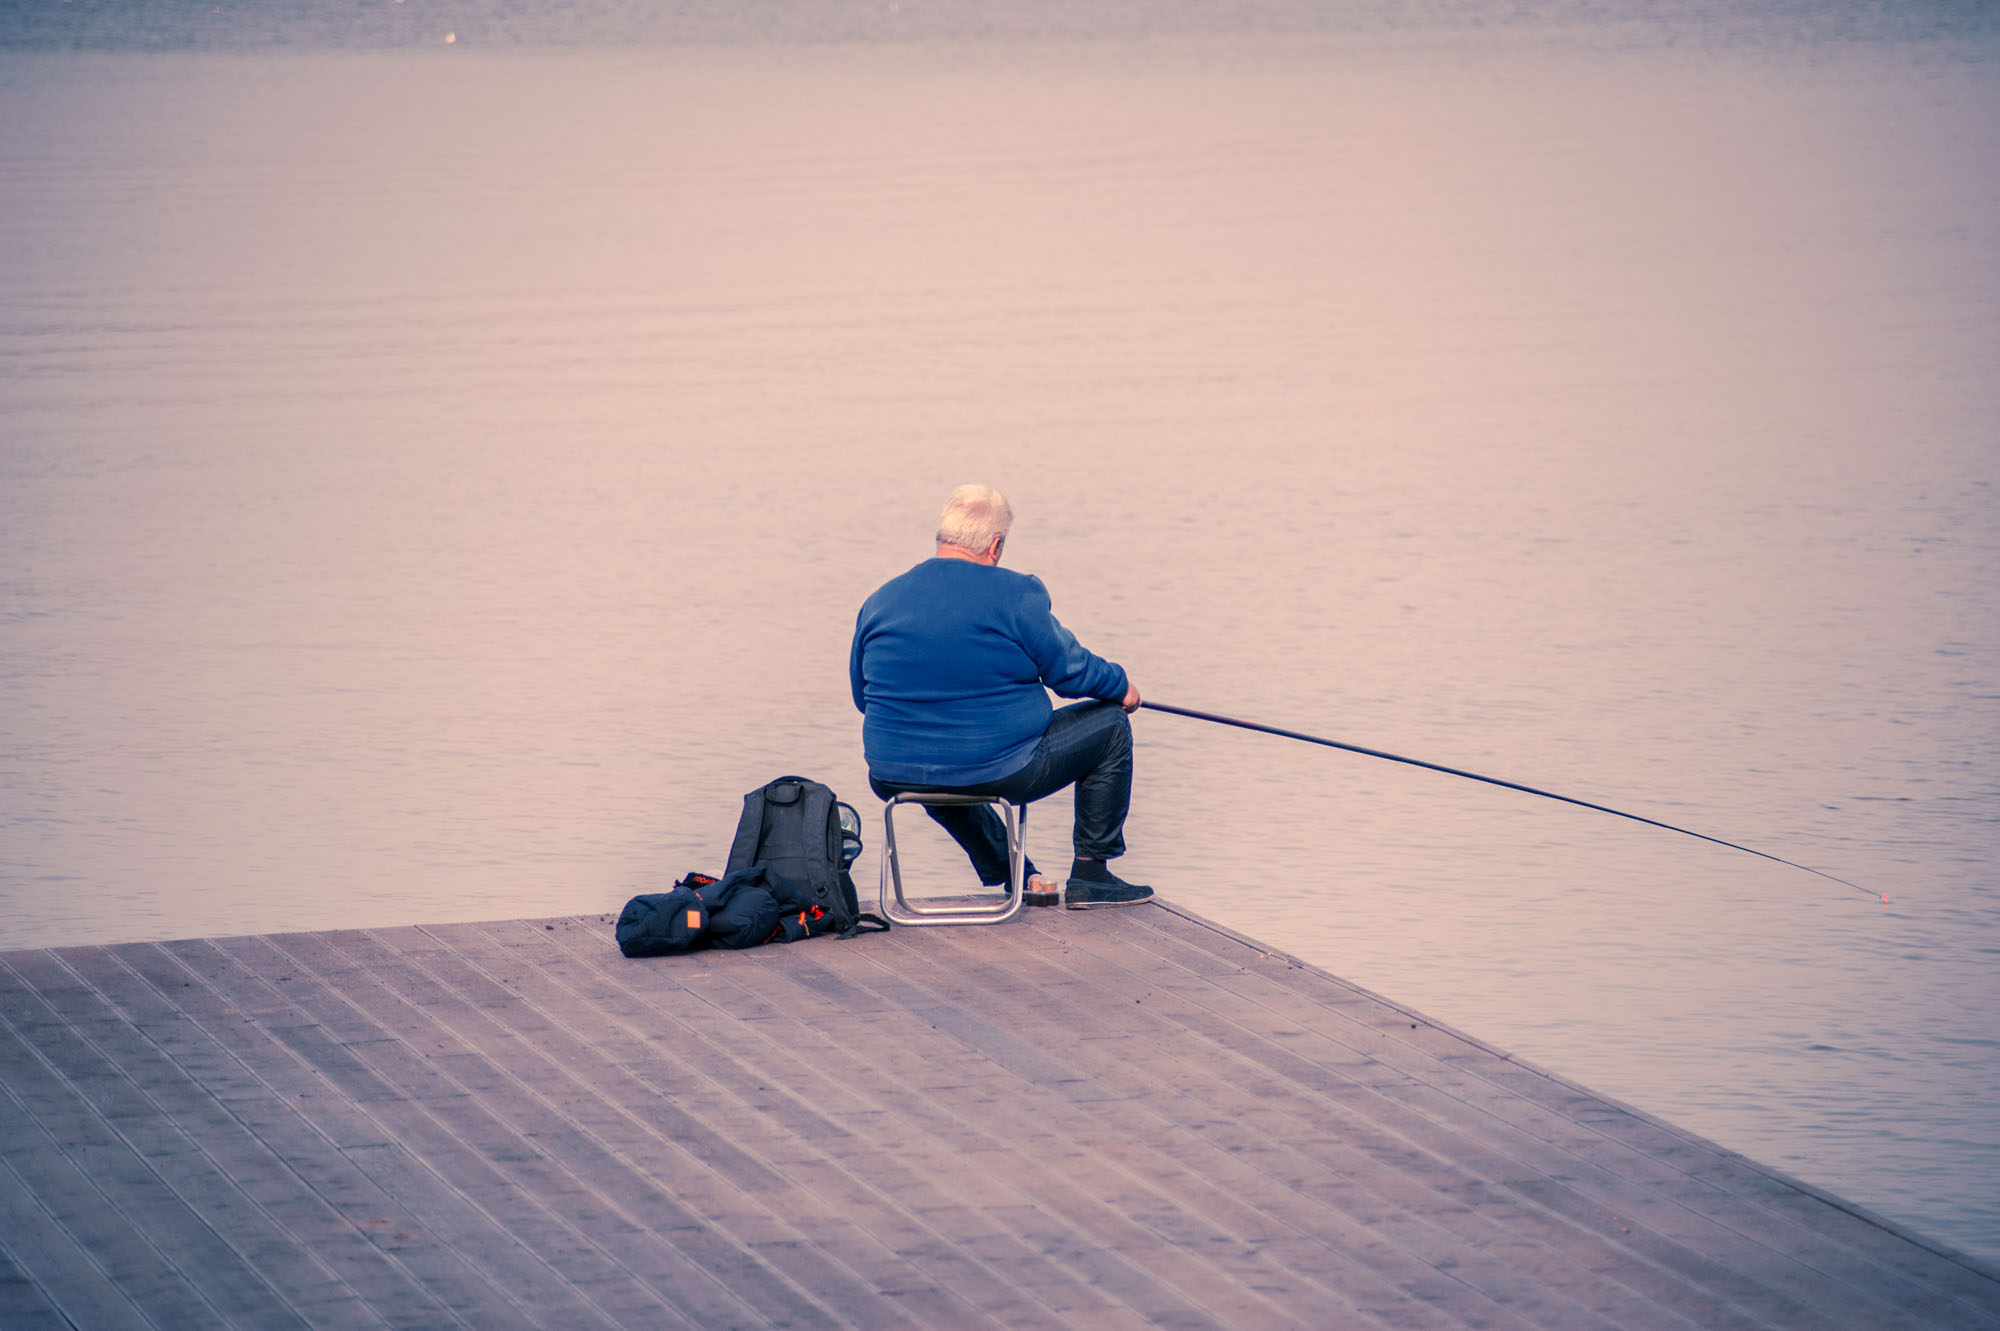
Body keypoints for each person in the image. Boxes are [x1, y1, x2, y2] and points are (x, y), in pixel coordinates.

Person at [849, 483, 1152, 908]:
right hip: (1001, 769)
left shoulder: (879, 600)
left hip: (892, 770)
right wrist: (1120, 686)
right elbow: (1070, 672)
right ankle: (1092, 875)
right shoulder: (1016, 594)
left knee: (941, 763)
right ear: (995, 545)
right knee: (1111, 726)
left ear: (944, 538)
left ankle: (1019, 876)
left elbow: (863, 697)